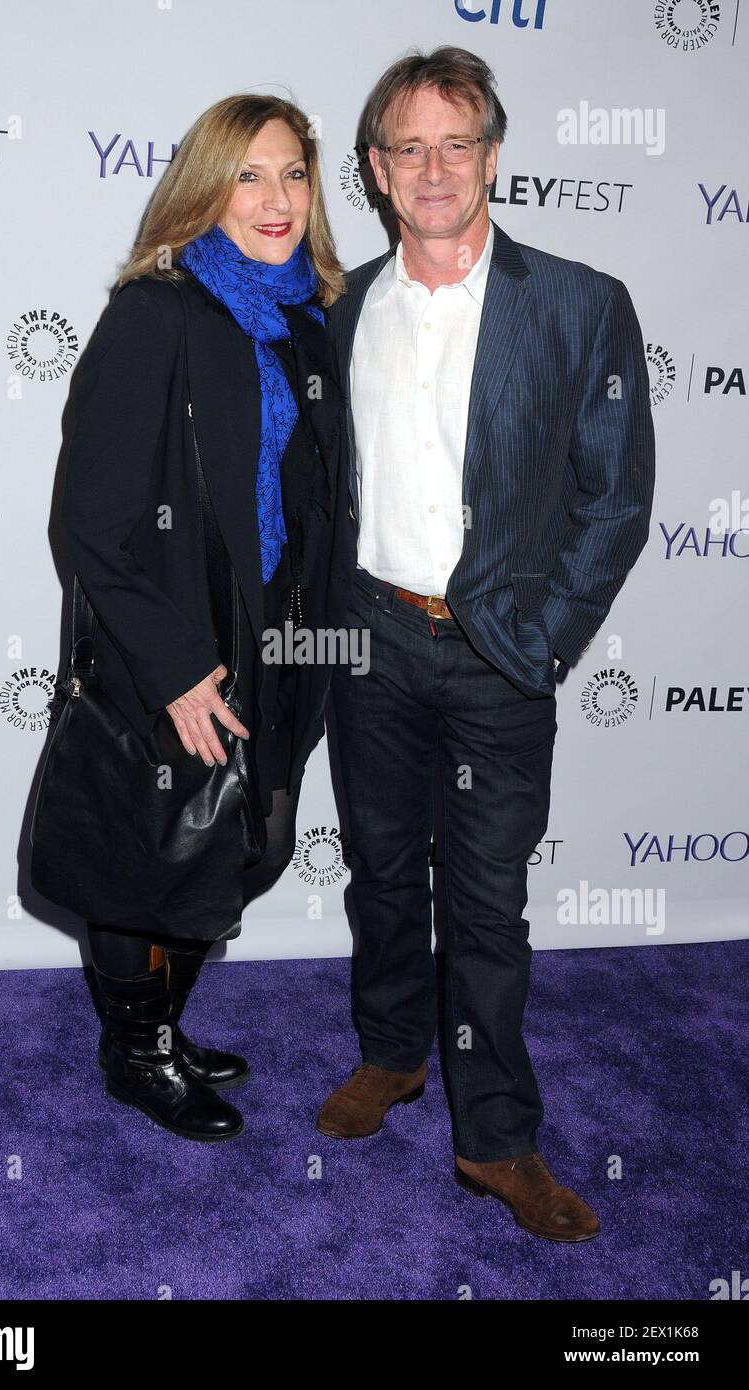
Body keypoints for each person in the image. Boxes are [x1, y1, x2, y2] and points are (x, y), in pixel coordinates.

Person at [320, 47, 655, 1240]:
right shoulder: (338, 307)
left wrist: (540, 643)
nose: (432, 170)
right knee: (376, 872)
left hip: (498, 656)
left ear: (492, 157)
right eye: (407, 148)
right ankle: (391, 1052)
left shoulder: (577, 303)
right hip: (369, 642)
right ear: (375, 169)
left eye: (454, 144)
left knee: (485, 907)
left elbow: (613, 501)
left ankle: (496, 1139)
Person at [61, 94, 355, 1144]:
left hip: (279, 639)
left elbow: (319, 502)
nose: (276, 199)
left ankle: (161, 1025)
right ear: (205, 189)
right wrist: (177, 667)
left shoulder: (308, 319)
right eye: (248, 175)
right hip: (181, 642)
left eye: (293, 174)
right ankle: (138, 1050)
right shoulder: (157, 312)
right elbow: (92, 521)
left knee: (251, 845)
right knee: (152, 856)